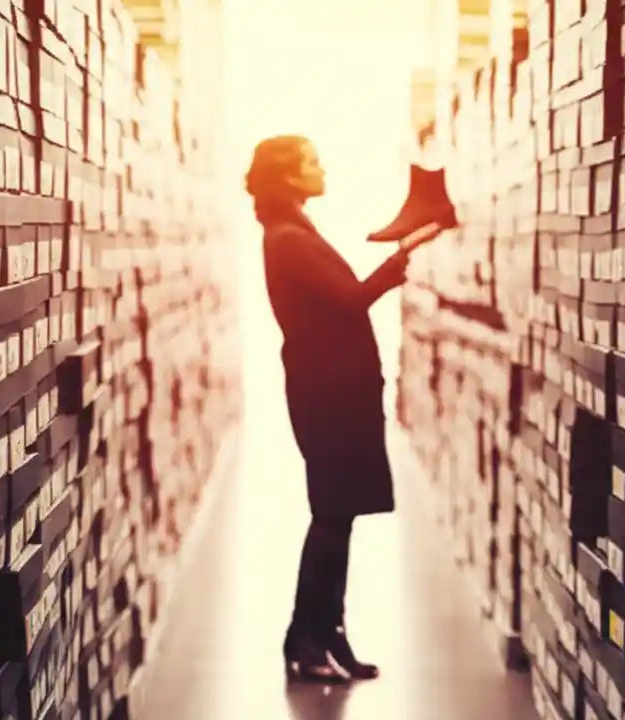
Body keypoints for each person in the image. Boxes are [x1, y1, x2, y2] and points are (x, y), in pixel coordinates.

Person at [245, 135, 444, 683]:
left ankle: (328, 635)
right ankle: (307, 641)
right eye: (312, 160)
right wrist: (401, 256)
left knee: (339, 516)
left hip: (331, 390)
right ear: (287, 175)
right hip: (328, 395)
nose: (322, 167)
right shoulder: (288, 239)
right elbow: (350, 299)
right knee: (332, 517)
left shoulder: (291, 231)